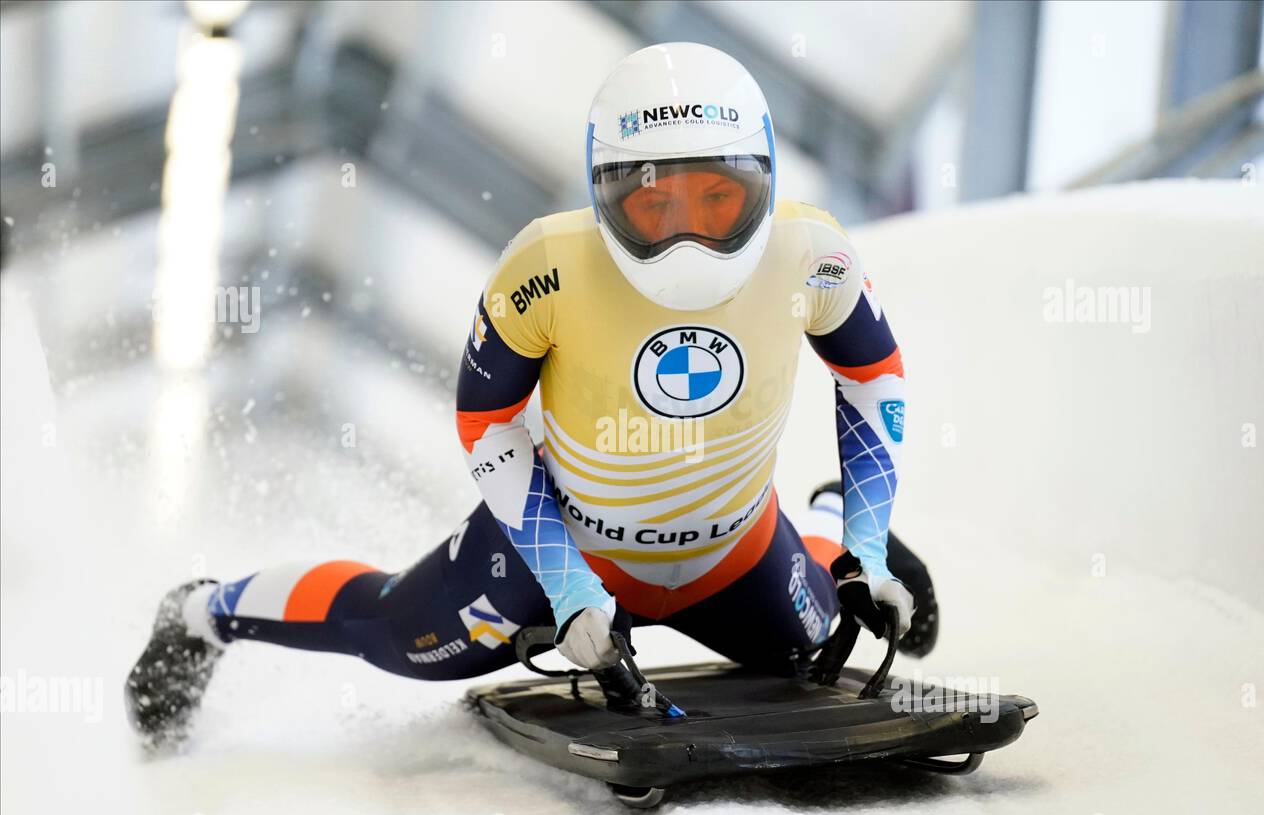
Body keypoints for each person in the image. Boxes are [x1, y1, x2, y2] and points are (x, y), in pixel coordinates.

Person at [126, 42, 937, 746]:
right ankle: (204, 612)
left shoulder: (814, 256)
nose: (687, 234)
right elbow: (486, 420)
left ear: (760, 179)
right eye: (655, 205)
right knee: (394, 636)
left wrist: (869, 548)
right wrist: (569, 585)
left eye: (716, 200)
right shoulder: (543, 268)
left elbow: (870, 374)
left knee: (822, 630)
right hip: (564, 546)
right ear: (606, 191)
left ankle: (840, 527)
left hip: (733, 551)